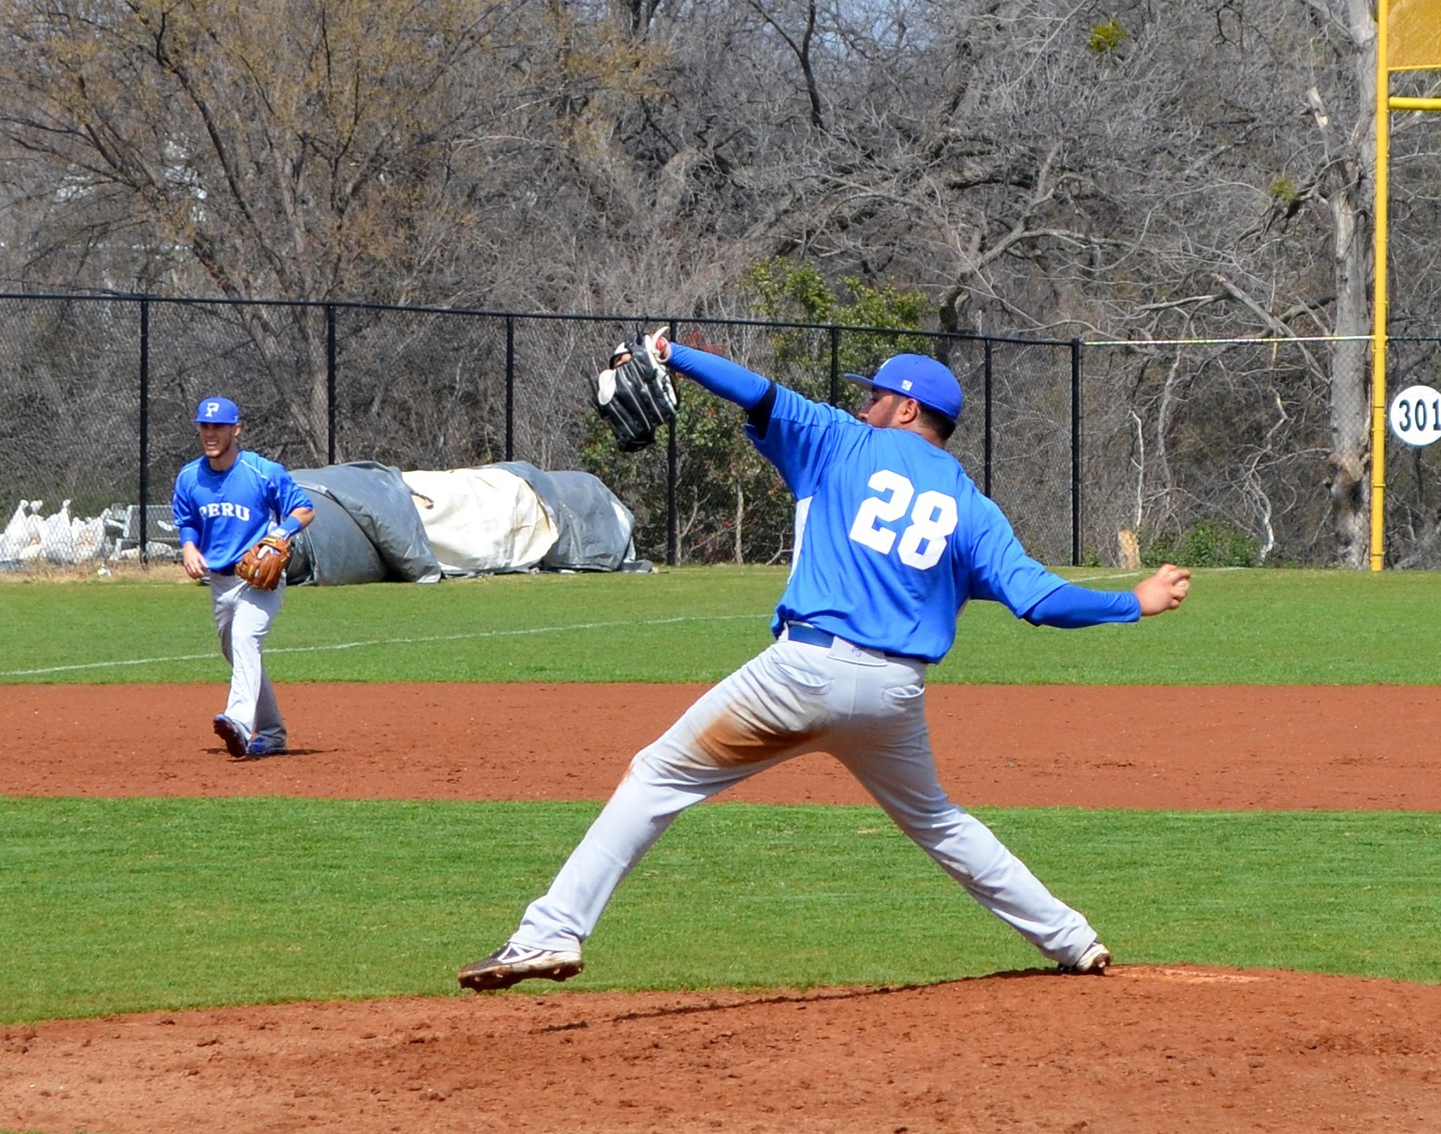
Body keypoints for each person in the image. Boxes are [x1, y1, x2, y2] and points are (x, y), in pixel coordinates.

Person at [458, 336, 1190, 990]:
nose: (865, 404)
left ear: (907, 409)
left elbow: (755, 390)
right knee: (941, 823)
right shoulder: (974, 509)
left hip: (802, 674)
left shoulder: (842, 442)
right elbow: (1039, 599)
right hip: (892, 696)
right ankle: (1073, 941)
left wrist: (670, 353)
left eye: (876, 395)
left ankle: (549, 934)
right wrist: (1134, 600)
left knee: (657, 775)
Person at [172, 396, 315, 759]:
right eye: (204, 425)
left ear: (236, 429)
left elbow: (303, 508)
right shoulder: (190, 478)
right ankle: (271, 732)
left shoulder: (262, 472)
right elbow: (187, 520)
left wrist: (281, 534)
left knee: (245, 636)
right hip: (219, 583)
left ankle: (237, 720)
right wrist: (189, 548)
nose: (210, 433)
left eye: (218, 426)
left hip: (258, 579)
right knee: (236, 650)